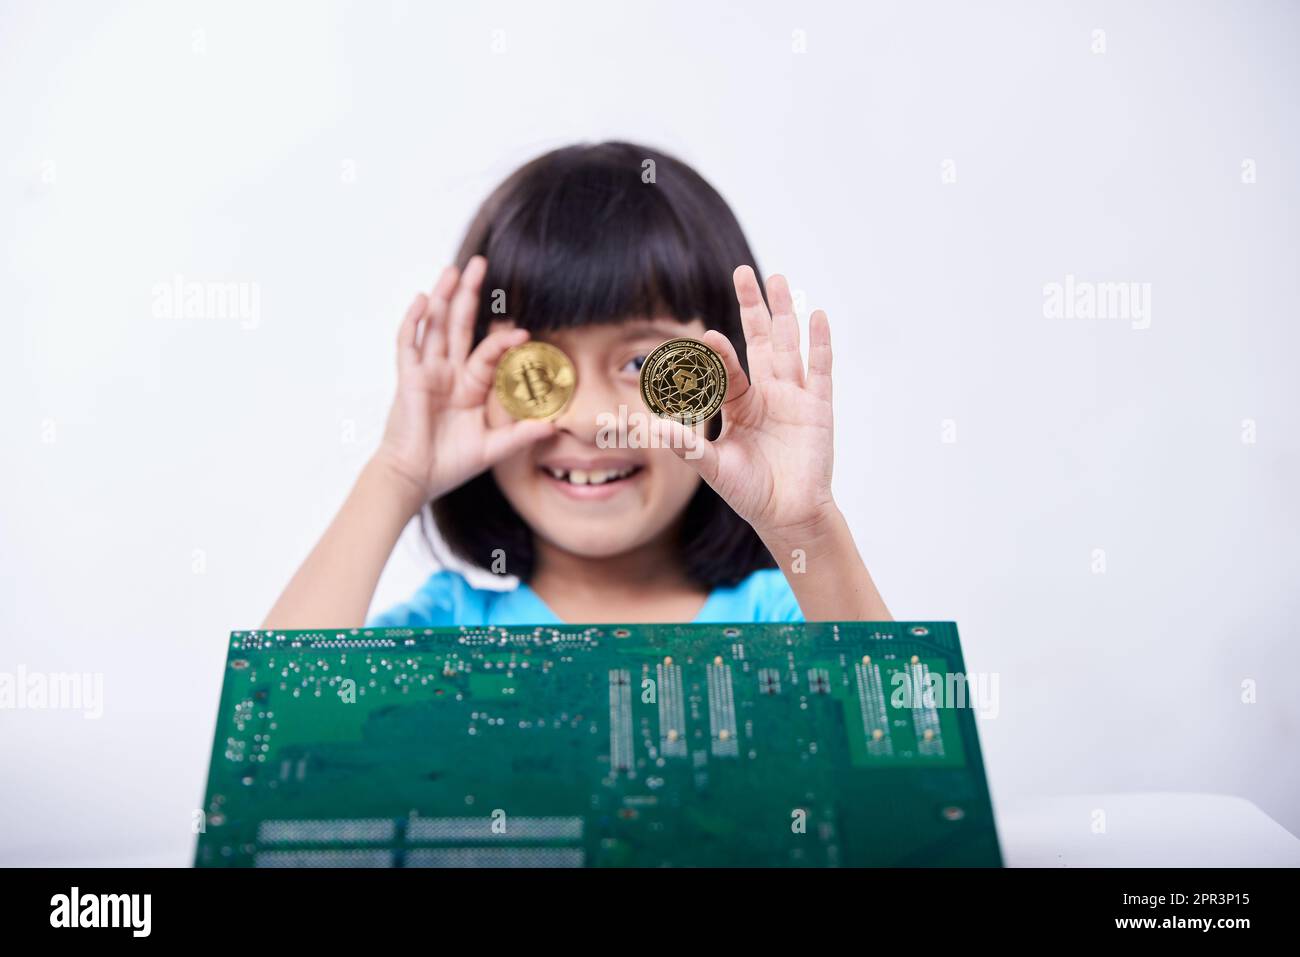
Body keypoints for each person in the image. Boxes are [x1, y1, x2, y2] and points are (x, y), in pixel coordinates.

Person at [263, 141, 890, 628]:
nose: (590, 419)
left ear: (723, 389)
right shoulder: (449, 626)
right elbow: (272, 744)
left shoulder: (787, 615)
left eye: (642, 365)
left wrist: (804, 529)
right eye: (537, 371)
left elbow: (907, 756)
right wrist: (396, 475)